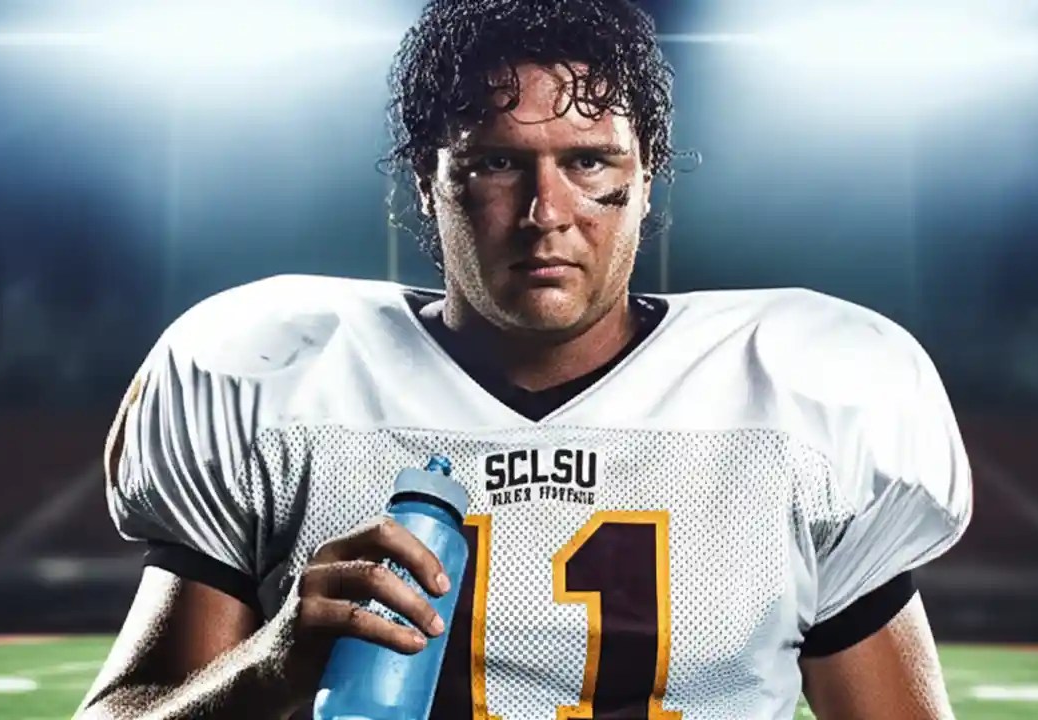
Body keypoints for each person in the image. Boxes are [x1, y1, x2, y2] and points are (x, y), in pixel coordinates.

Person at [77, 0, 972, 717]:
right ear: (427, 181)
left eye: (589, 163)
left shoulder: (801, 397)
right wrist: (271, 666)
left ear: (646, 179)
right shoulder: (279, 377)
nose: (547, 213)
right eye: (498, 163)